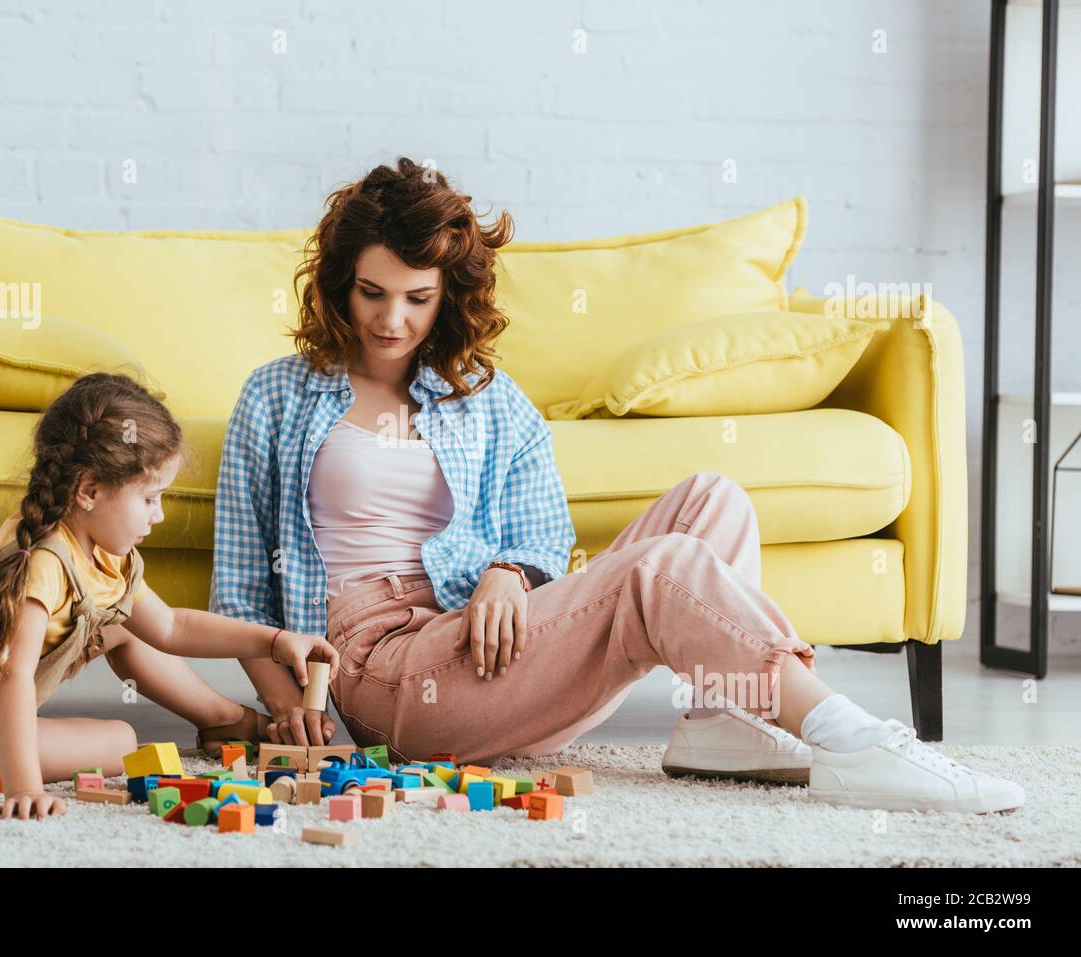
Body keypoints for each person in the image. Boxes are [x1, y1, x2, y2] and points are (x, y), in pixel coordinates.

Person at [212, 156, 1024, 814]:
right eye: (373, 293)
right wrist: (299, 712)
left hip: (487, 643)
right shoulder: (278, 396)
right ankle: (851, 738)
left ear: (448, 295)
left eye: (418, 298)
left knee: (714, 498)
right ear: (337, 285)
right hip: (383, 668)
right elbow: (242, 590)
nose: (393, 320)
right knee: (658, 569)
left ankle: (723, 725)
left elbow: (537, 535)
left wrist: (508, 571)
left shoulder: (484, 398)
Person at [0, 372, 336, 820]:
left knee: (121, 625)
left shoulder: (98, 550)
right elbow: (11, 678)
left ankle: (224, 719)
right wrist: (24, 788)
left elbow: (172, 627)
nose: (157, 516)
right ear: (90, 491)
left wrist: (276, 640)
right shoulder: (42, 563)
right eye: (150, 498)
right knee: (119, 741)